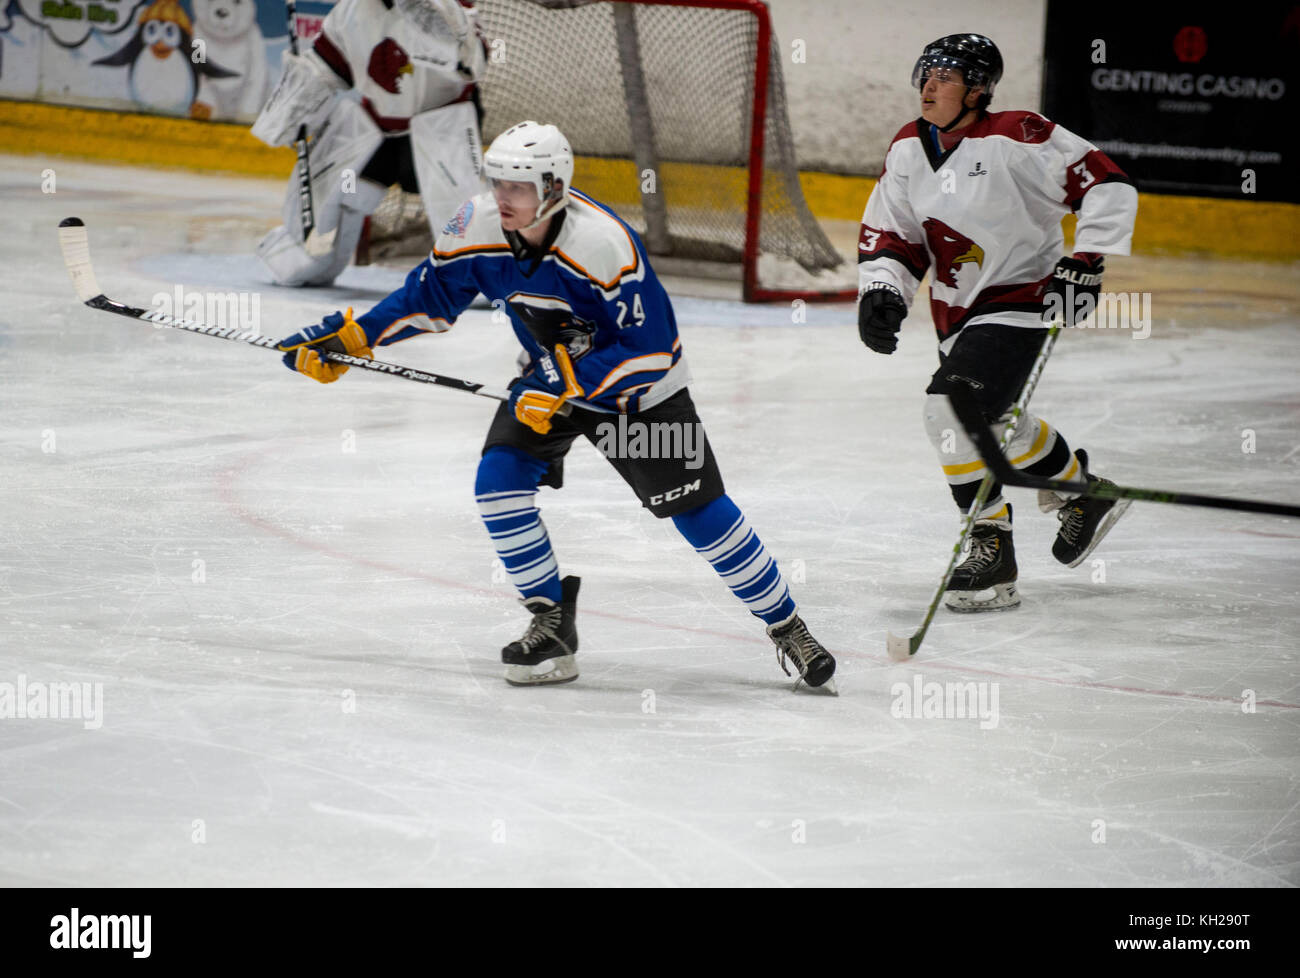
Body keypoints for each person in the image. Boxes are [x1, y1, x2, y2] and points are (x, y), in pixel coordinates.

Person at [275, 121, 837, 691]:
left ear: (551, 187)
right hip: (547, 380)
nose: (502, 198)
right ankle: (551, 623)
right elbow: (430, 296)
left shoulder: (603, 246)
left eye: (516, 187)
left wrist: (570, 385)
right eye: (498, 183)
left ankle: (787, 625)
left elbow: (653, 349)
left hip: (637, 396)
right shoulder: (476, 224)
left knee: (700, 513)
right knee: (498, 482)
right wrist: (354, 338)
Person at [856, 34, 1139, 612]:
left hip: (1025, 299)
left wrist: (1084, 261)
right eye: (926, 73)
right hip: (957, 313)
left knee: (951, 410)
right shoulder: (909, 148)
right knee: (993, 421)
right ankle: (1083, 494)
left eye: (948, 75)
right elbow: (895, 234)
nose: (930, 85)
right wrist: (883, 288)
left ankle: (990, 551)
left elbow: (1106, 182)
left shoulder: (1019, 133)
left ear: (979, 89)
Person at [251, 0, 487, 287]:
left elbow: (471, 63)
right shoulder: (351, 11)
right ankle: (315, 255)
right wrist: (298, 100)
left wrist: (431, 16)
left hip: (439, 127)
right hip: (376, 126)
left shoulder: (448, 5)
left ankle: (476, 269)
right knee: (339, 196)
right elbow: (327, 66)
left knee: (457, 209)